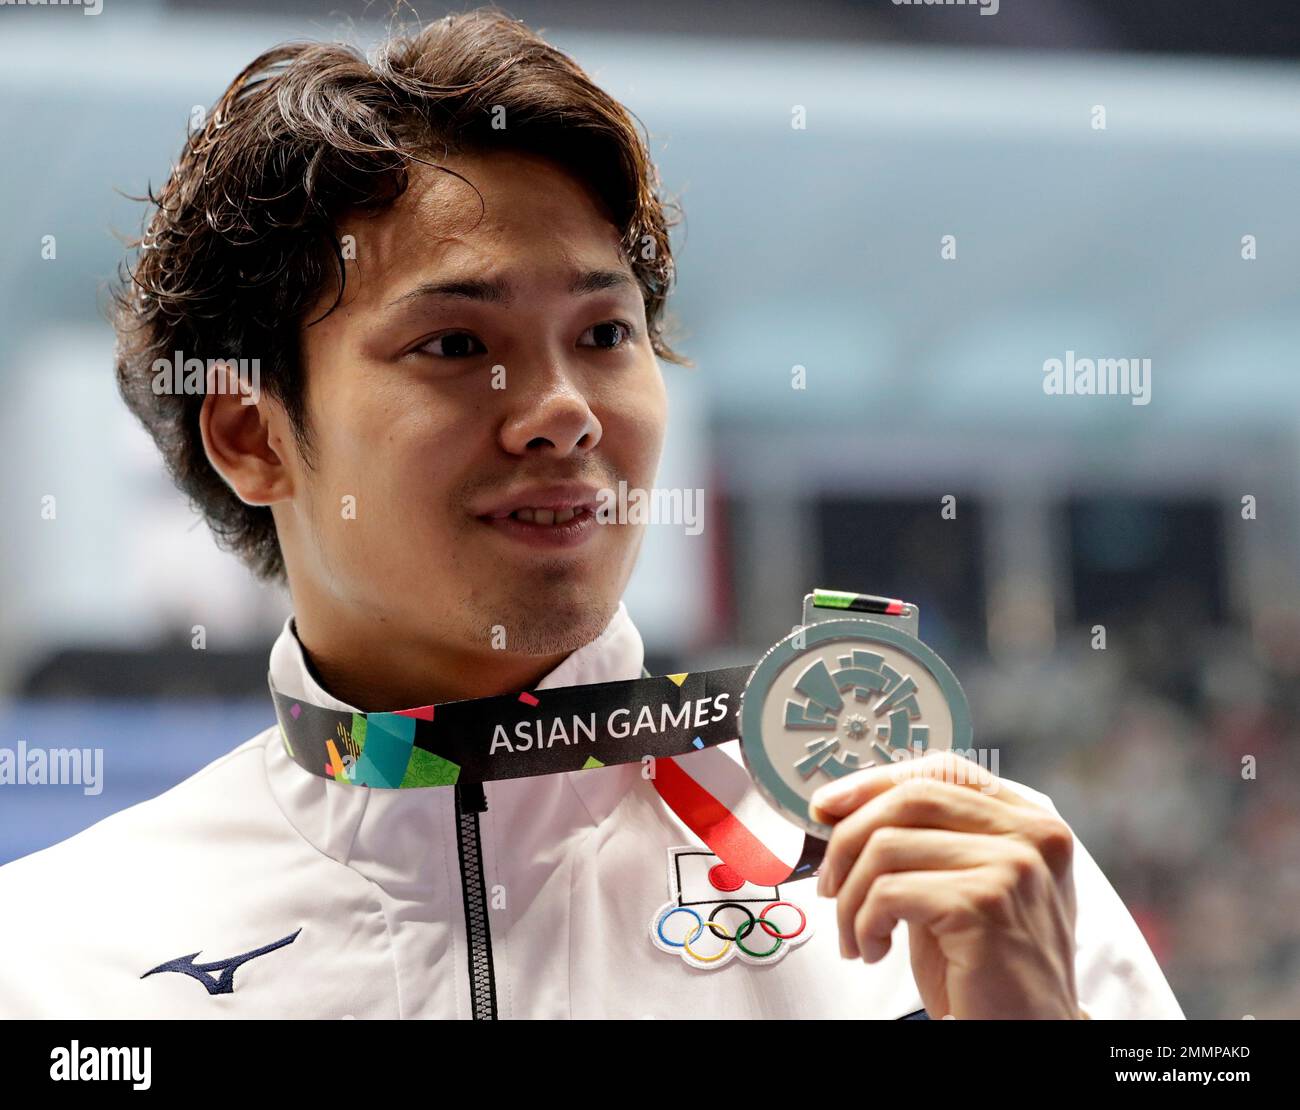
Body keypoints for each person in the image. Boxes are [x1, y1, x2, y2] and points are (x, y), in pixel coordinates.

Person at [0, 9, 1182, 1020]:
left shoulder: (961, 882)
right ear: (254, 436)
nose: (561, 412)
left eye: (604, 335)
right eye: (455, 344)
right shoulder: (55, 960)